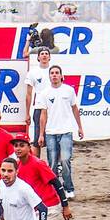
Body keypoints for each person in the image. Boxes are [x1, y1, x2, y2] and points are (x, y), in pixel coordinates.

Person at [35, 66, 83, 199]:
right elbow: (43, 114)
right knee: (52, 164)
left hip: (66, 131)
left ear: (61, 75)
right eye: (52, 73)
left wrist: (80, 127)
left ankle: (68, 188)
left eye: (57, 73)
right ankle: (56, 190)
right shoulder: (44, 93)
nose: (54, 75)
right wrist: (41, 134)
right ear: (49, 76)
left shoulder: (69, 90)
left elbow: (75, 109)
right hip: (50, 132)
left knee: (66, 160)